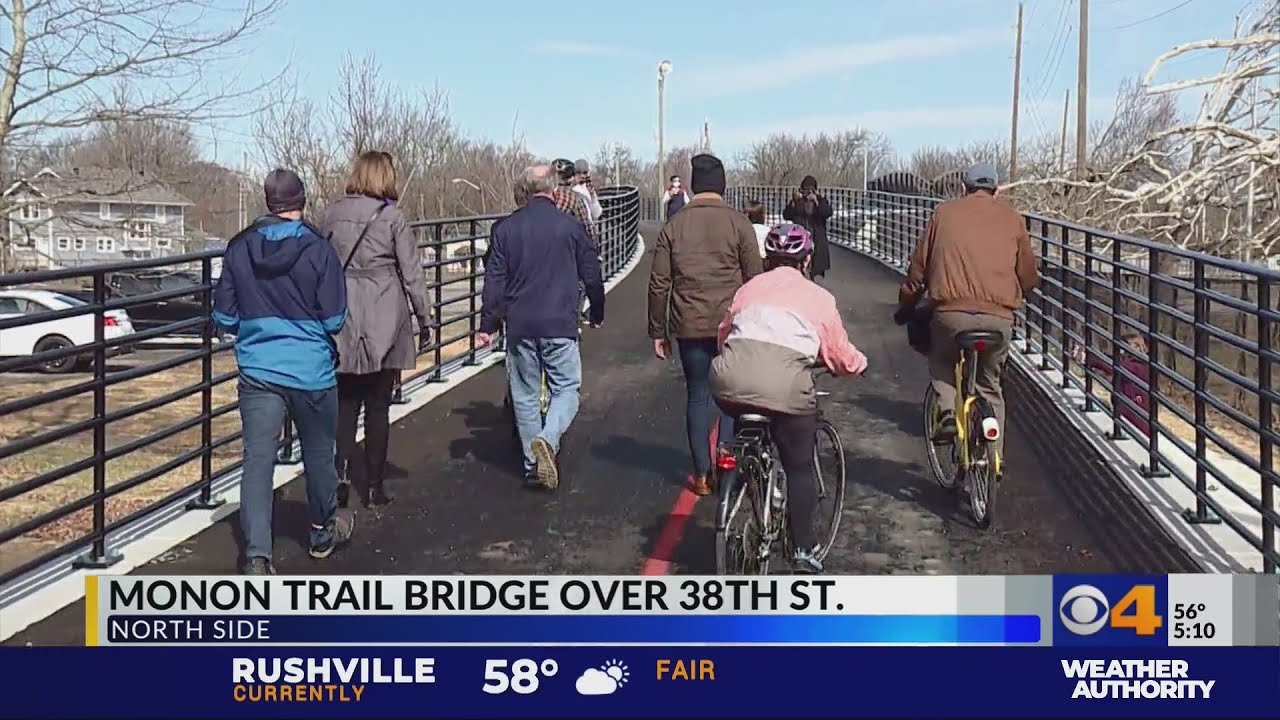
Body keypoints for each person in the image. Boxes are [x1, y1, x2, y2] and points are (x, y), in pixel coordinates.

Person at [212, 168, 355, 575]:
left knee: (258, 460)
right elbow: (333, 319)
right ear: (302, 199)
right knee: (318, 454)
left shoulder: (238, 247)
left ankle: (257, 555)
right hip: (311, 370)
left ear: (267, 201)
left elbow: (223, 315)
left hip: (258, 370)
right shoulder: (318, 248)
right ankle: (321, 533)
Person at [711, 223, 868, 573]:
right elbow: (839, 354)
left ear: (769, 260)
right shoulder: (818, 298)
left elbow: (724, 335)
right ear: (806, 259)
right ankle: (803, 549)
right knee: (798, 465)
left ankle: (743, 484)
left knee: (746, 422)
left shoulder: (748, 289)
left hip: (730, 378)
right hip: (785, 387)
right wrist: (859, 365)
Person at [896, 162, 1039, 458]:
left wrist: (907, 303)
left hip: (951, 314)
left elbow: (918, 269)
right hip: (998, 317)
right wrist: (1016, 296)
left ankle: (947, 412)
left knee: (942, 359)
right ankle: (993, 458)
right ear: (996, 190)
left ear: (964, 187)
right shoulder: (1013, 219)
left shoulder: (944, 214)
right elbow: (1028, 275)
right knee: (990, 384)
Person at [477, 165, 605, 489]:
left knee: (524, 394)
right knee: (567, 389)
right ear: (553, 189)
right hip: (559, 322)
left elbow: (494, 280)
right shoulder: (571, 227)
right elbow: (591, 272)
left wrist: (487, 324)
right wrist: (597, 311)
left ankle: (533, 464)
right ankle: (548, 438)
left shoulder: (505, 229)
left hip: (520, 323)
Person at [647, 153, 763, 496]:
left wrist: (659, 330)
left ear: (694, 185)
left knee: (697, 395)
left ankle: (701, 474)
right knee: (730, 397)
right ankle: (727, 458)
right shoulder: (738, 223)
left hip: (689, 325)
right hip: (731, 326)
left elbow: (659, 283)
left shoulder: (675, 225)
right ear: (722, 185)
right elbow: (753, 277)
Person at [321, 151, 433, 509]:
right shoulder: (392, 218)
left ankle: (337, 477)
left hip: (343, 311)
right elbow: (411, 272)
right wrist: (424, 317)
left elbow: (319, 265)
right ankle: (374, 486)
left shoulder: (332, 214)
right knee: (379, 405)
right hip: (386, 309)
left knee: (344, 403)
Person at [1072, 335, 1151, 438]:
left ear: (1136, 348)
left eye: (1125, 347)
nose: (1121, 351)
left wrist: (1087, 358)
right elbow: (1110, 361)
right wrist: (1088, 355)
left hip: (1137, 425)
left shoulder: (1139, 366)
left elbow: (1113, 366)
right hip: (1127, 417)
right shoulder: (1134, 363)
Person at [783, 176, 834, 280]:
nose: (807, 193)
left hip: (816, 236)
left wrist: (817, 201)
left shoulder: (820, 200)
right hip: (799, 236)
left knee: (815, 264)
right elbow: (786, 215)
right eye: (805, 190)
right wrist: (793, 202)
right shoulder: (797, 201)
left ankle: (813, 277)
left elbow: (827, 213)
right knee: (799, 261)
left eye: (810, 190)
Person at [551, 158, 597, 238]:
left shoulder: (566, 196)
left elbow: (596, 213)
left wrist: (592, 194)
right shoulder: (572, 197)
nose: (582, 176)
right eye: (578, 173)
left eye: (585, 173)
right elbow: (589, 230)